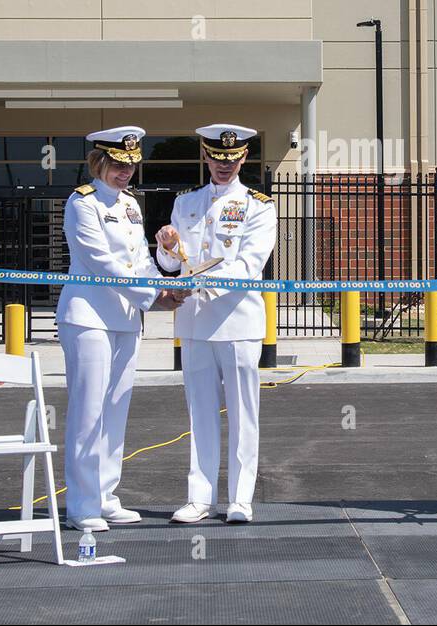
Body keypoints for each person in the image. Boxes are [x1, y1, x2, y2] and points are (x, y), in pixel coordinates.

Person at [57, 126, 183, 533]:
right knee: (88, 411)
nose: (124, 173)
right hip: (89, 317)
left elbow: (137, 260)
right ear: (99, 162)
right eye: (116, 165)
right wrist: (152, 297)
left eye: (129, 166)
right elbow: (100, 262)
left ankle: (106, 495)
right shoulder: (83, 203)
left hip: (126, 319)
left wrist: (164, 279)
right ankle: (81, 502)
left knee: (116, 409)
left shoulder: (130, 205)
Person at [155, 124, 276, 525]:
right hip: (194, 322)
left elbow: (250, 263)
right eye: (217, 158)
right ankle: (199, 497)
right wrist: (168, 247)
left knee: (243, 413)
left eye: (233, 159)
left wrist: (200, 285)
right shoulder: (186, 202)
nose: (224, 166)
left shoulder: (259, 206)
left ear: (243, 158)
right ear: (205, 156)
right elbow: (172, 264)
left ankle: (240, 499)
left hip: (237, 319)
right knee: (200, 413)